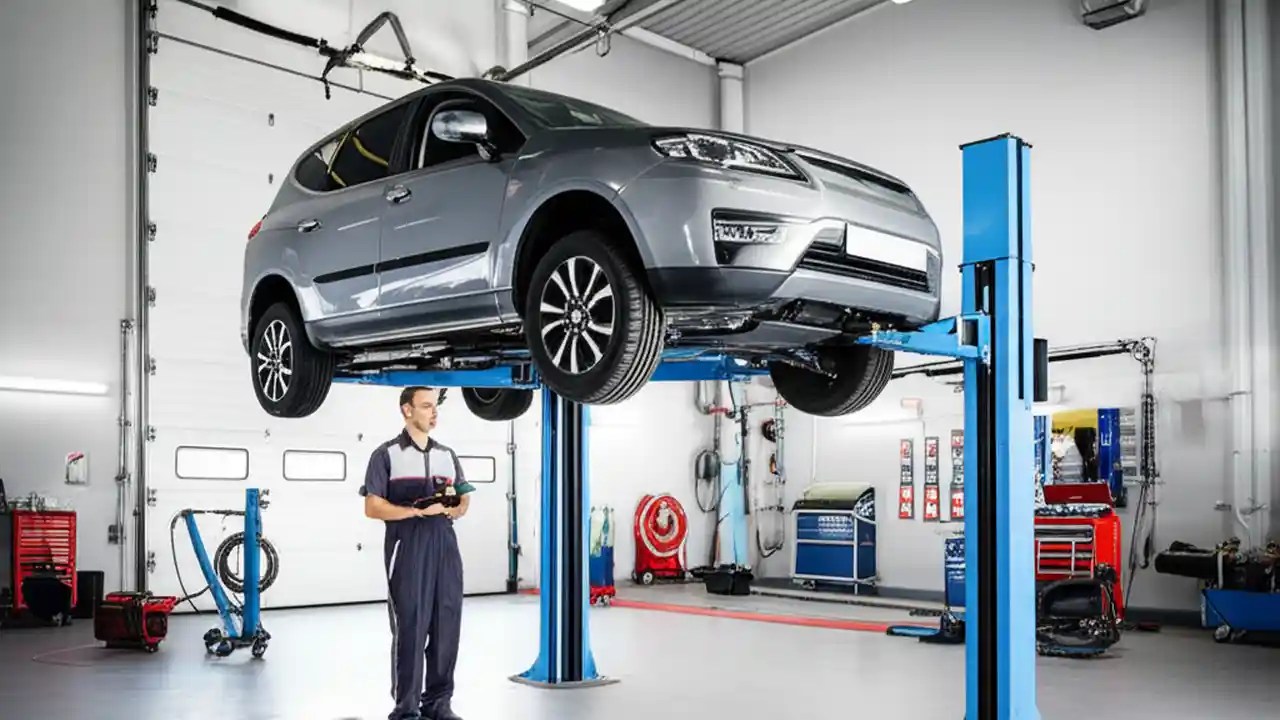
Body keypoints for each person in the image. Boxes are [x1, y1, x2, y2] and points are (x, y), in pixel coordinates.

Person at [361, 386, 474, 720]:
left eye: (435, 406)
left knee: (446, 625)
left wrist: (456, 507)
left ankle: (439, 704)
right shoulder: (386, 455)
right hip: (407, 545)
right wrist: (415, 512)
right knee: (411, 626)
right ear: (406, 410)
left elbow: (464, 496)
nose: (434, 412)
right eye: (426, 406)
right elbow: (372, 506)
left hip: (445, 545)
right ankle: (406, 708)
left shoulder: (447, 454)